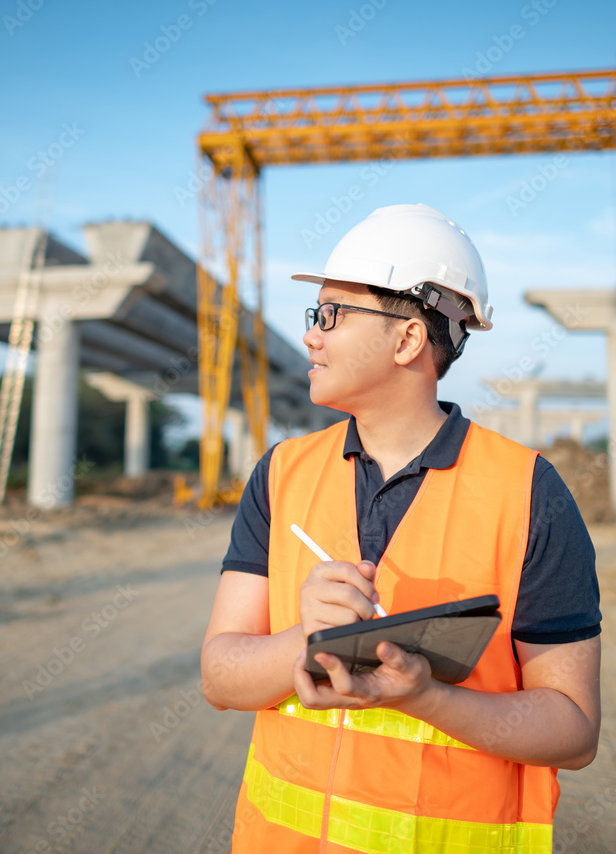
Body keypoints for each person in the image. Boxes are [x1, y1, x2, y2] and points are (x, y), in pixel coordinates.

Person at [201, 203, 601, 854]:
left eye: (330, 314)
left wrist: (423, 696)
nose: (311, 336)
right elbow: (220, 676)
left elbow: (573, 730)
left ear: (407, 339)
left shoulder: (528, 492)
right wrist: (304, 638)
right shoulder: (282, 472)